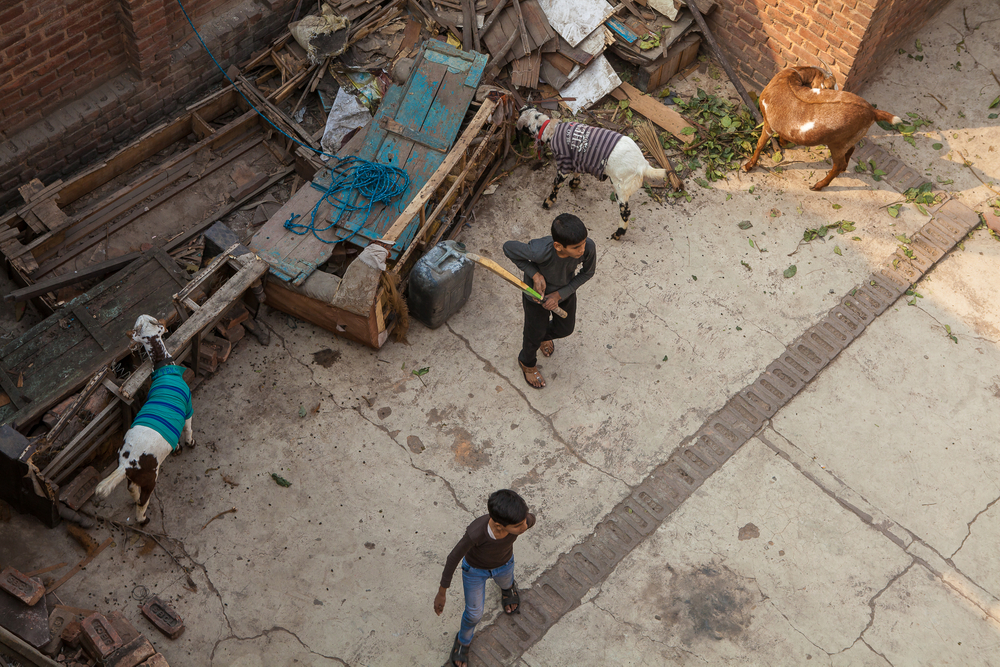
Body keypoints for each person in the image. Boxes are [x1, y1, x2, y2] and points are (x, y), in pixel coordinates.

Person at [434, 489, 536, 667]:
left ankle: (508, 588)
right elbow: (453, 559)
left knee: (506, 581)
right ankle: (463, 641)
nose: (525, 526)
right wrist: (442, 592)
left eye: (524, 521)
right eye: (519, 526)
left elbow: (530, 519)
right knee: (474, 614)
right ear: (499, 526)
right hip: (475, 572)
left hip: (505, 565)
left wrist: (526, 520)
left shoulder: (523, 521)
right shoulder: (476, 533)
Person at [502, 213, 597, 388]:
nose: (582, 250)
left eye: (584, 243)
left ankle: (540, 336)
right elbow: (508, 247)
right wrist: (535, 274)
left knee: (566, 328)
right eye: (577, 247)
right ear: (558, 246)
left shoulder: (588, 247)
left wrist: (559, 295)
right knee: (533, 335)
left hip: (564, 292)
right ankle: (527, 363)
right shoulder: (539, 250)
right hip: (536, 298)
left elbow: (588, 273)